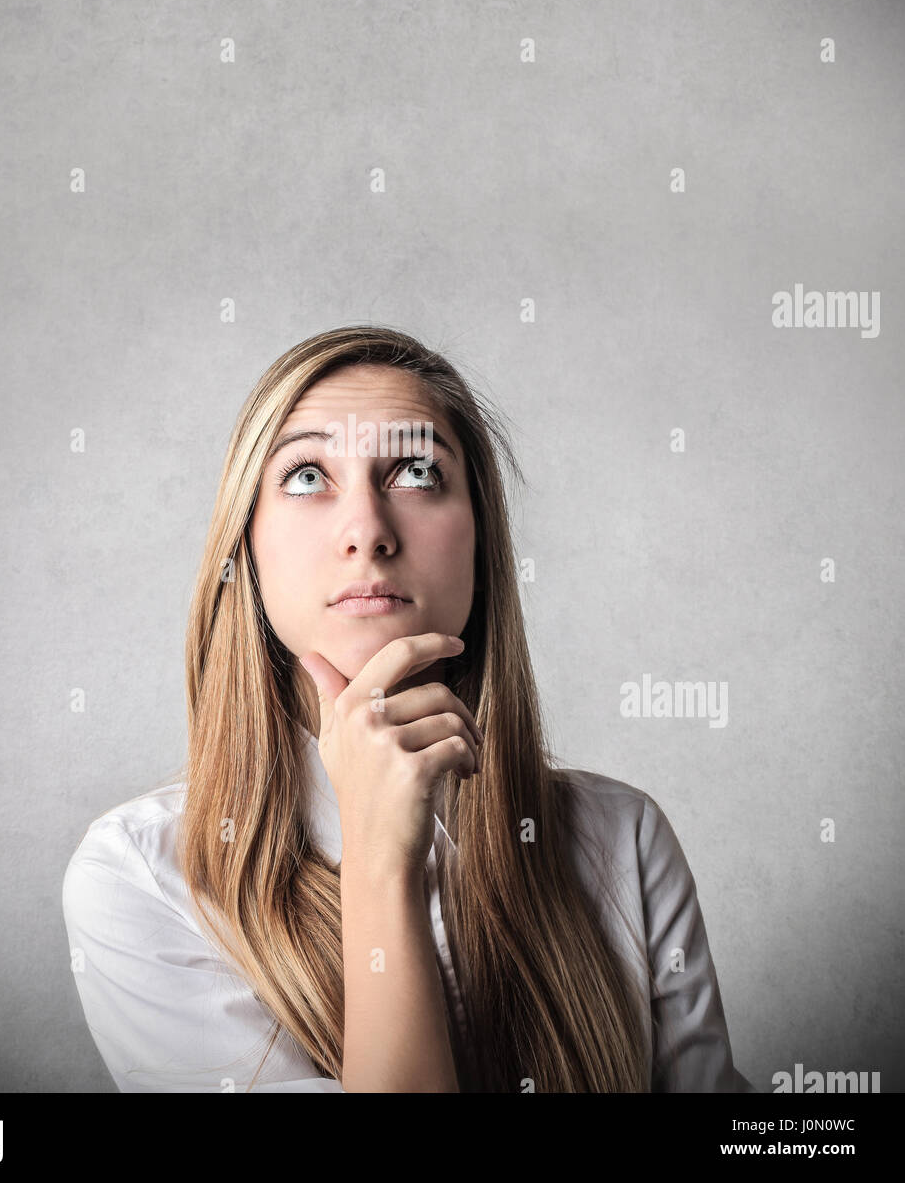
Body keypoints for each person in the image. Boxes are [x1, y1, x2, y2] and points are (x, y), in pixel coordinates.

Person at [62, 323, 754, 1093]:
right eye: (304, 477)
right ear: (245, 547)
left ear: (480, 541)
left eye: (417, 471)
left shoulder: (620, 838)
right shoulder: (140, 877)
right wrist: (378, 862)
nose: (366, 531)